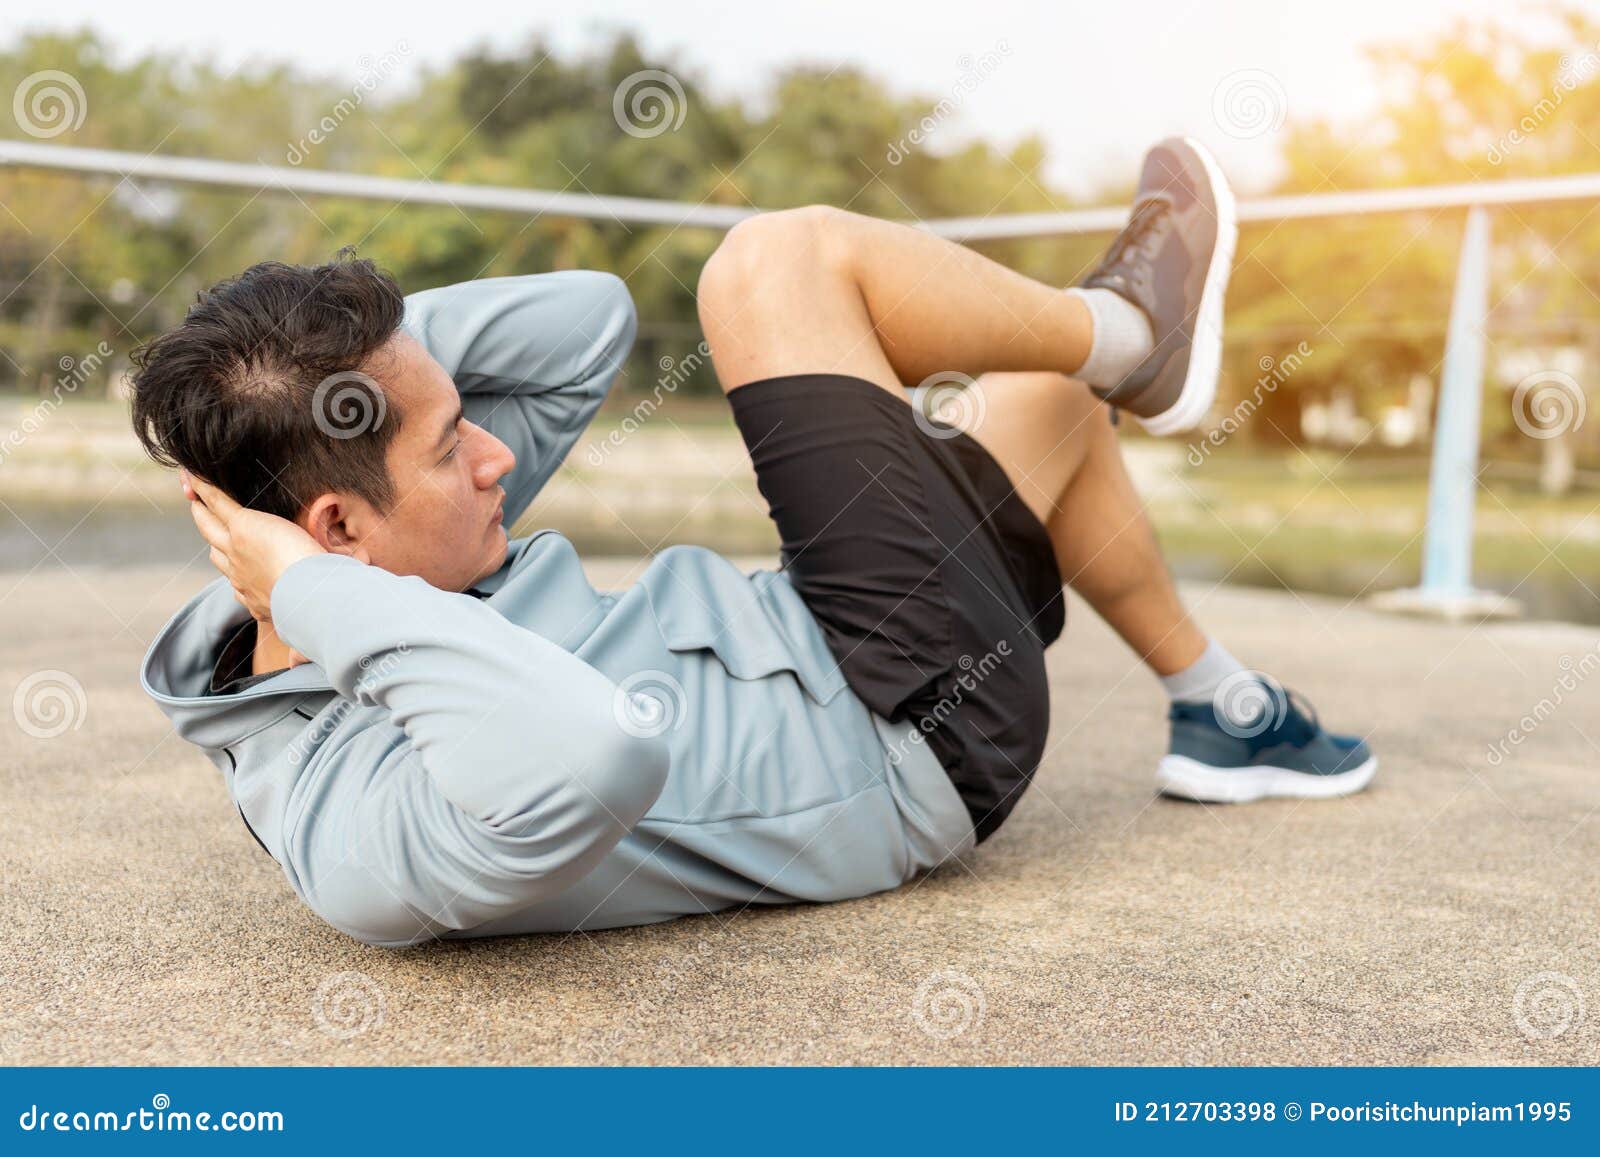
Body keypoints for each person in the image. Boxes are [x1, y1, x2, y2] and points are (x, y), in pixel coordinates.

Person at [135, 138, 1374, 947]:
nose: (496, 455)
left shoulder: (396, 533)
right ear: (334, 532)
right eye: (453, 440)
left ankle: (1223, 710)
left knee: (1047, 395)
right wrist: (320, 590)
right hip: (908, 733)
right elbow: (591, 752)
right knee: (773, 264)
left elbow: (582, 325)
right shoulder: (346, 830)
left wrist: (312, 377)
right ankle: (1130, 328)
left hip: (825, 618)